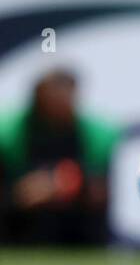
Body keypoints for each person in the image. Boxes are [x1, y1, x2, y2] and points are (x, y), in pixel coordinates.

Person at [0, 70, 119, 246]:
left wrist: (67, 185)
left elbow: (101, 193)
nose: (61, 102)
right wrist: (22, 194)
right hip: (21, 230)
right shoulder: (9, 136)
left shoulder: (96, 136)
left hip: (77, 231)